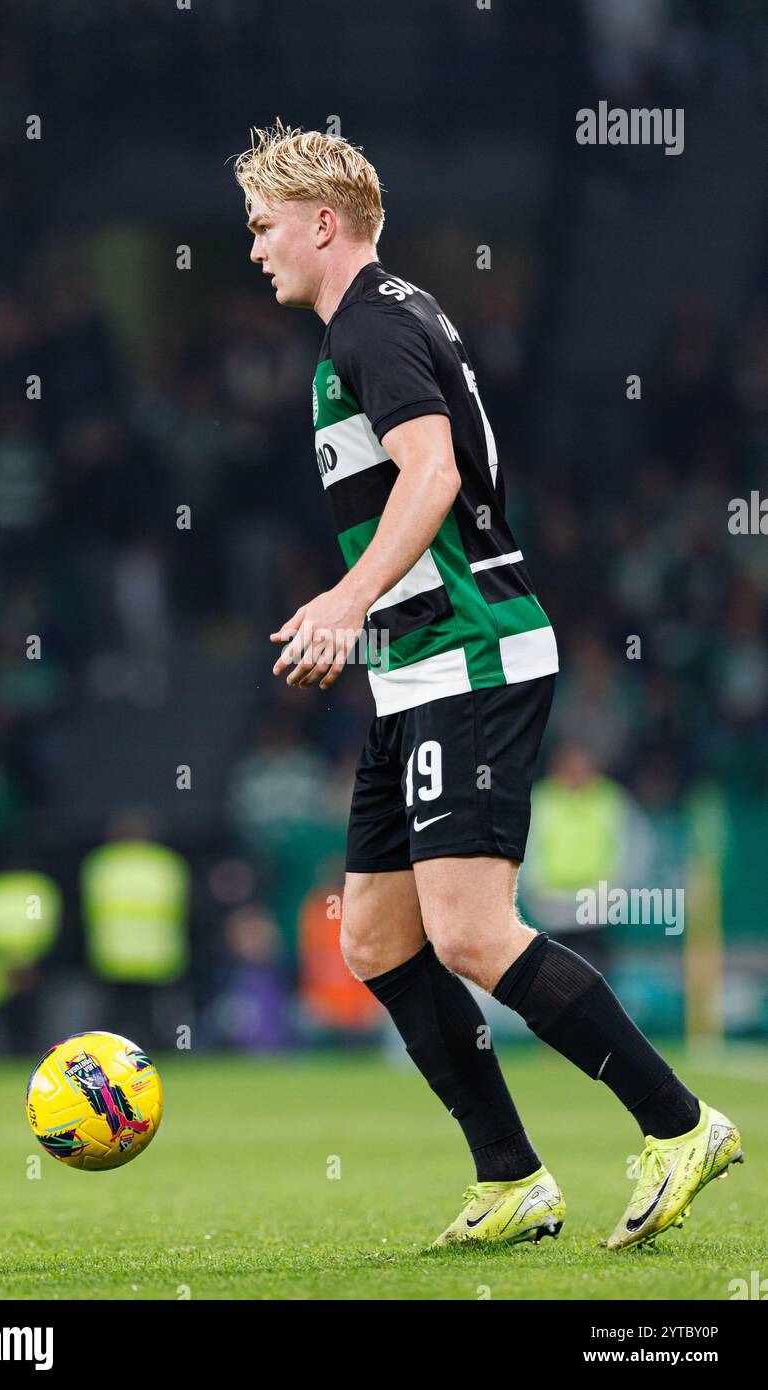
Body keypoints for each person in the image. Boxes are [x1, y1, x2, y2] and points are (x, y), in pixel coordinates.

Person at [232, 121, 743, 1250]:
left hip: (466, 655)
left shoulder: (367, 325)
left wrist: (347, 598)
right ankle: (511, 1175)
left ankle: (677, 1122)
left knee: (465, 930)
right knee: (372, 935)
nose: (255, 248)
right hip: (415, 673)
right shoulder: (393, 315)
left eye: (264, 226)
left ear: (323, 223)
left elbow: (432, 469)